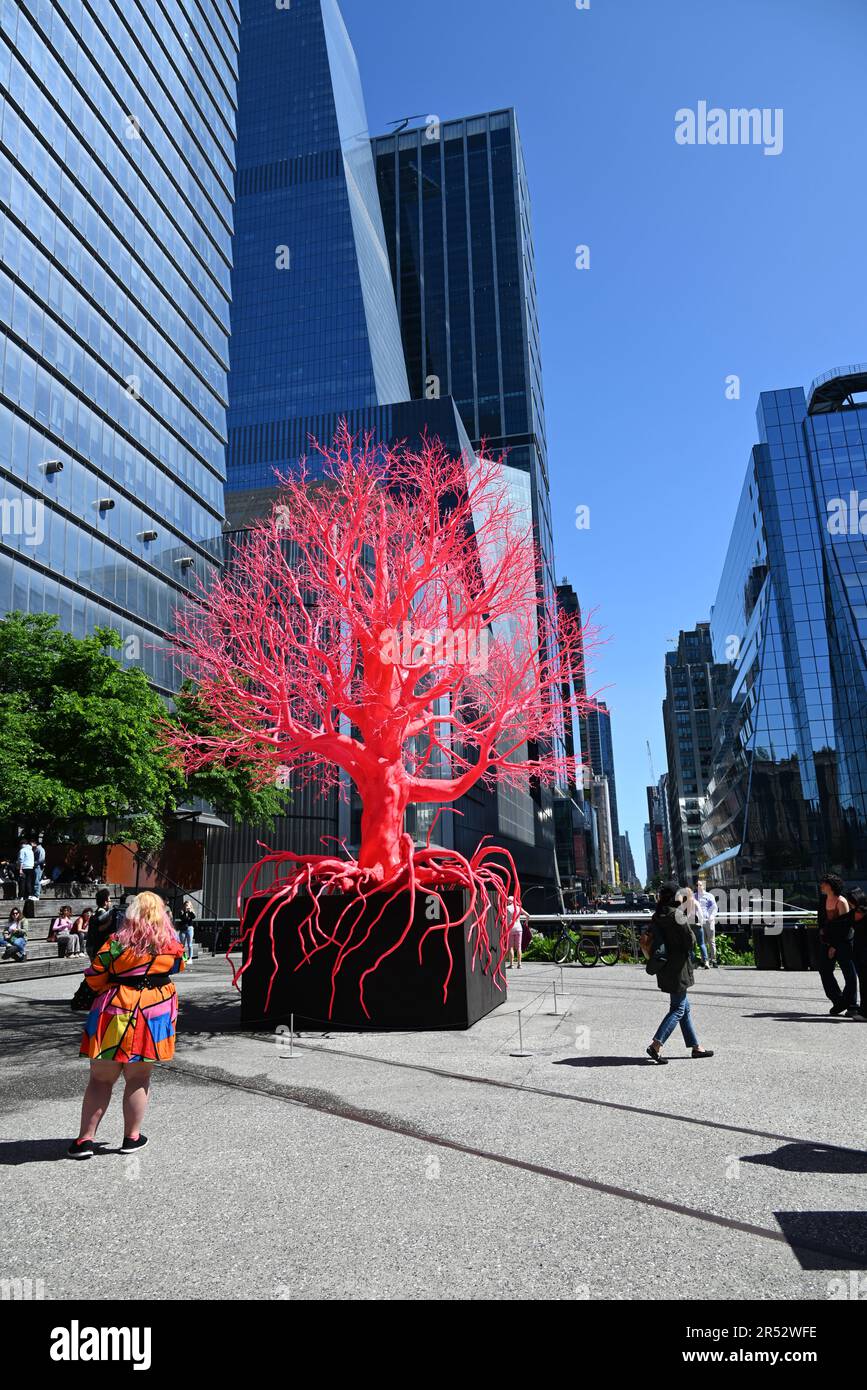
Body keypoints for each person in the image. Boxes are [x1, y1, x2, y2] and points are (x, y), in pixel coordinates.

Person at [68, 891, 186, 1159]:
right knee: (138, 1078)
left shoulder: (116, 944)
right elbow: (179, 966)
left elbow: (95, 976)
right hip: (153, 1013)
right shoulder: (171, 945)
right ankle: (131, 1137)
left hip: (114, 1010)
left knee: (100, 1079)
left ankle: (84, 1141)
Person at [645, 882, 714, 1064]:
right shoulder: (677, 915)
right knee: (678, 1008)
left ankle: (696, 1047)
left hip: (665, 966)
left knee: (684, 1007)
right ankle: (656, 1045)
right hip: (679, 968)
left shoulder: (657, 915)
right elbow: (690, 941)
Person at [817, 875, 857, 1017]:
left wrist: (835, 946)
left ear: (831, 885)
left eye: (824, 883)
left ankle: (852, 1005)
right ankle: (839, 1001)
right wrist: (823, 935)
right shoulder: (823, 900)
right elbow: (821, 920)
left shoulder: (841, 901)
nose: (821, 885)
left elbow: (845, 927)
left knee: (849, 973)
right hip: (827, 940)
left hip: (843, 942)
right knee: (824, 970)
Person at [848, 887, 867, 1022]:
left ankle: (865, 1012)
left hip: (862, 951)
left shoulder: (859, 912)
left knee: (865, 982)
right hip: (861, 950)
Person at [680, 884, 709, 969]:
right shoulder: (696, 902)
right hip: (697, 925)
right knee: (702, 944)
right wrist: (701, 923)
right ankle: (706, 961)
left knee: (691, 945)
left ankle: (693, 962)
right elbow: (700, 914)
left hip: (689, 926)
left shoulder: (684, 903)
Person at [86, 888, 118, 959]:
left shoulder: (97, 912)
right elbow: (99, 929)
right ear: (105, 902)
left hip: (92, 946)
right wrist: (109, 922)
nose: (110, 902)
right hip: (95, 947)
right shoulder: (102, 913)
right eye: (110, 900)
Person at [695, 878, 719, 967]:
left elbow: (714, 907)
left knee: (711, 941)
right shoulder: (694, 896)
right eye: (697, 885)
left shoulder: (709, 896)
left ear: (703, 886)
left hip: (709, 921)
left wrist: (712, 917)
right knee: (702, 942)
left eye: (700, 885)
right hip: (700, 922)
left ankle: (714, 960)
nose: (698, 886)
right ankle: (704, 960)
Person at [505, 895, 527, 970]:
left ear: (509, 901)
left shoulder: (507, 908)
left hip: (510, 928)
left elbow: (502, 917)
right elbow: (528, 915)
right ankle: (519, 964)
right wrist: (526, 923)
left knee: (510, 947)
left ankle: (511, 964)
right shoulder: (518, 908)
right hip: (518, 928)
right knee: (519, 947)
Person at [177, 898, 196, 967]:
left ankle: (190, 958)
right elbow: (182, 918)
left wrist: (190, 911)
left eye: (188, 905)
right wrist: (185, 912)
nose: (187, 907)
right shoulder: (182, 912)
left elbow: (193, 917)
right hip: (183, 929)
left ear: (190, 906)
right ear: (184, 906)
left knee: (190, 944)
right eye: (186, 905)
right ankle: (184, 958)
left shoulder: (192, 912)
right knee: (182, 945)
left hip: (190, 929)